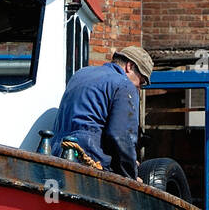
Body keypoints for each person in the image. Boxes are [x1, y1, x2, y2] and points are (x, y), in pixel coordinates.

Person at [49, 45, 154, 178]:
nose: (139, 87)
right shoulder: (124, 84)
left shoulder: (80, 74)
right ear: (130, 66)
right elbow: (121, 137)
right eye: (142, 81)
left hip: (55, 153)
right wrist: (131, 176)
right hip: (88, 158)